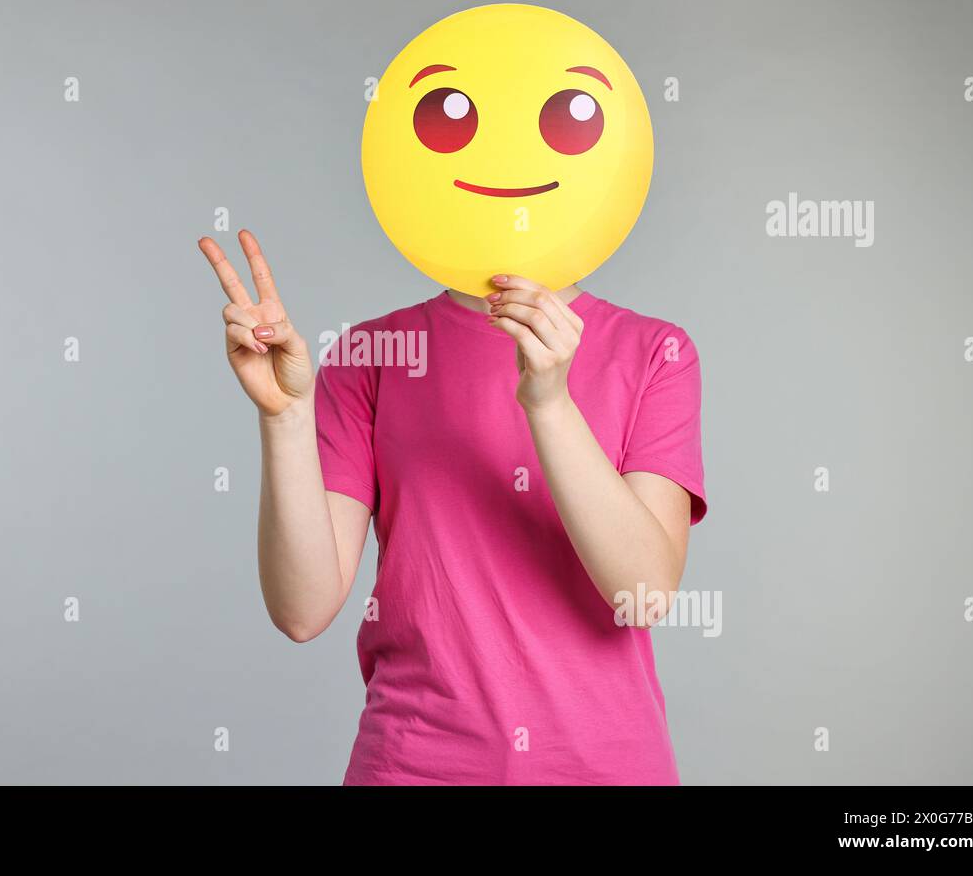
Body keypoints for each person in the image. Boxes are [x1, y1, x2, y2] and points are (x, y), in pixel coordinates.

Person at [198, 228, 706, 785]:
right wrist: (285, 417)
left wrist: (551, 403)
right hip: (412, 765)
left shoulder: (656, 349)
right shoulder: (372, 353)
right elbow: (302, 610)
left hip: (605, 767)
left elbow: (645, 595)